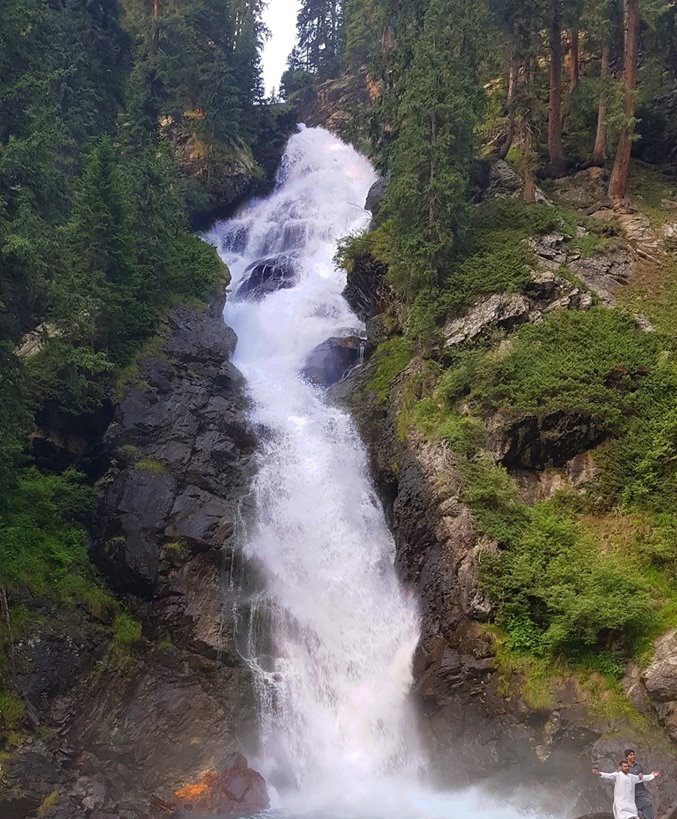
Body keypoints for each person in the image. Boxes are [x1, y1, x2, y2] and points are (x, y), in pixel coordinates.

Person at [592, 760, 662, 819]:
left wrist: (652, 775)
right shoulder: (617, 775)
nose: (627, 768)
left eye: (628, 766)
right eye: (625, 766)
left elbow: (643, 778)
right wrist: (599, 773)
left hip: (631, 804)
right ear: (620, 767)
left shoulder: (631, 777)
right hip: (621, 805)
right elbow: (608, 775)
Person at [625, 749, 657, 819]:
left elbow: (643, 777)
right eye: (631, 755)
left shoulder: (639, 766)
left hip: (641, 792)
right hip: (631, 794)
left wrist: (651, 775)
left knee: (648, 804)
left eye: (633, 754)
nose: (633, 756)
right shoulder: (624, 768)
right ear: (627, 757)